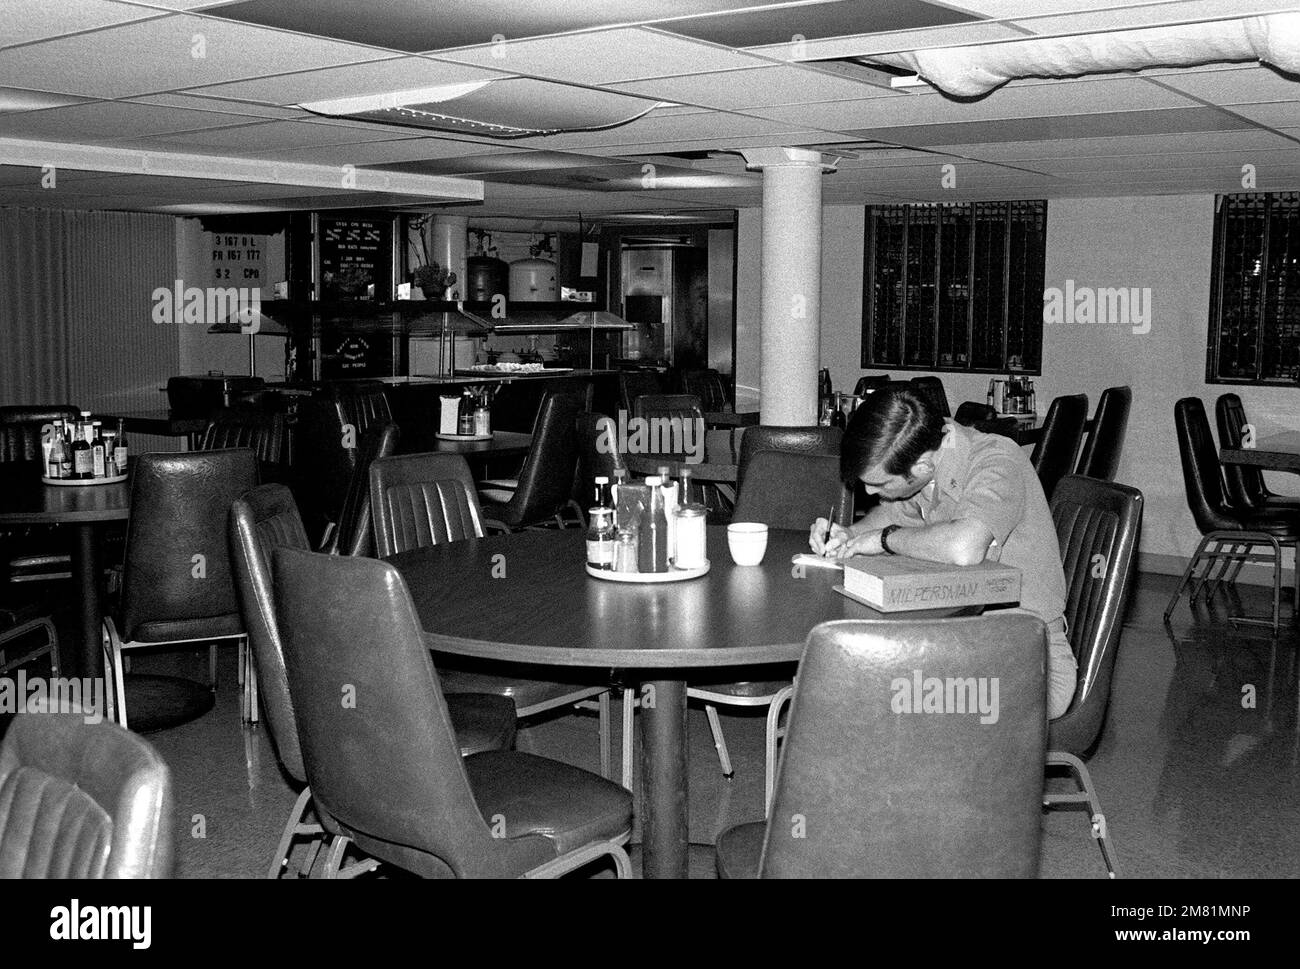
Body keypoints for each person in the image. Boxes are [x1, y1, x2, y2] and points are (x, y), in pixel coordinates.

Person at [809, 387, 1077, 719]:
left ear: (921, 467)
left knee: (883, 699)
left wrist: (883, 540)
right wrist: (848, 534)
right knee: (858, 681)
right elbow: (894, 514)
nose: (868, 492)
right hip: (964, 638)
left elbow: (964, 547)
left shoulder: (997, 461)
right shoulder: (929, 447)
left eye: (880, 483)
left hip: (1029, 660)